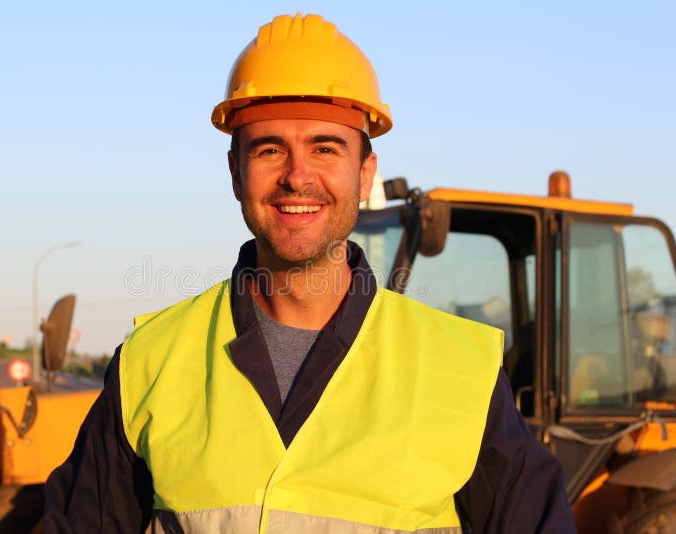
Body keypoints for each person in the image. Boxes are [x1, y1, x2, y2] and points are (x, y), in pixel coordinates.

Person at [45, 13, 575, 533]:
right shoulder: (149, 363)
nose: (297, 176)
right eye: (270, 149)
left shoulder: (462, 373)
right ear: (236, 173)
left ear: (364, 173)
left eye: (325, 148)